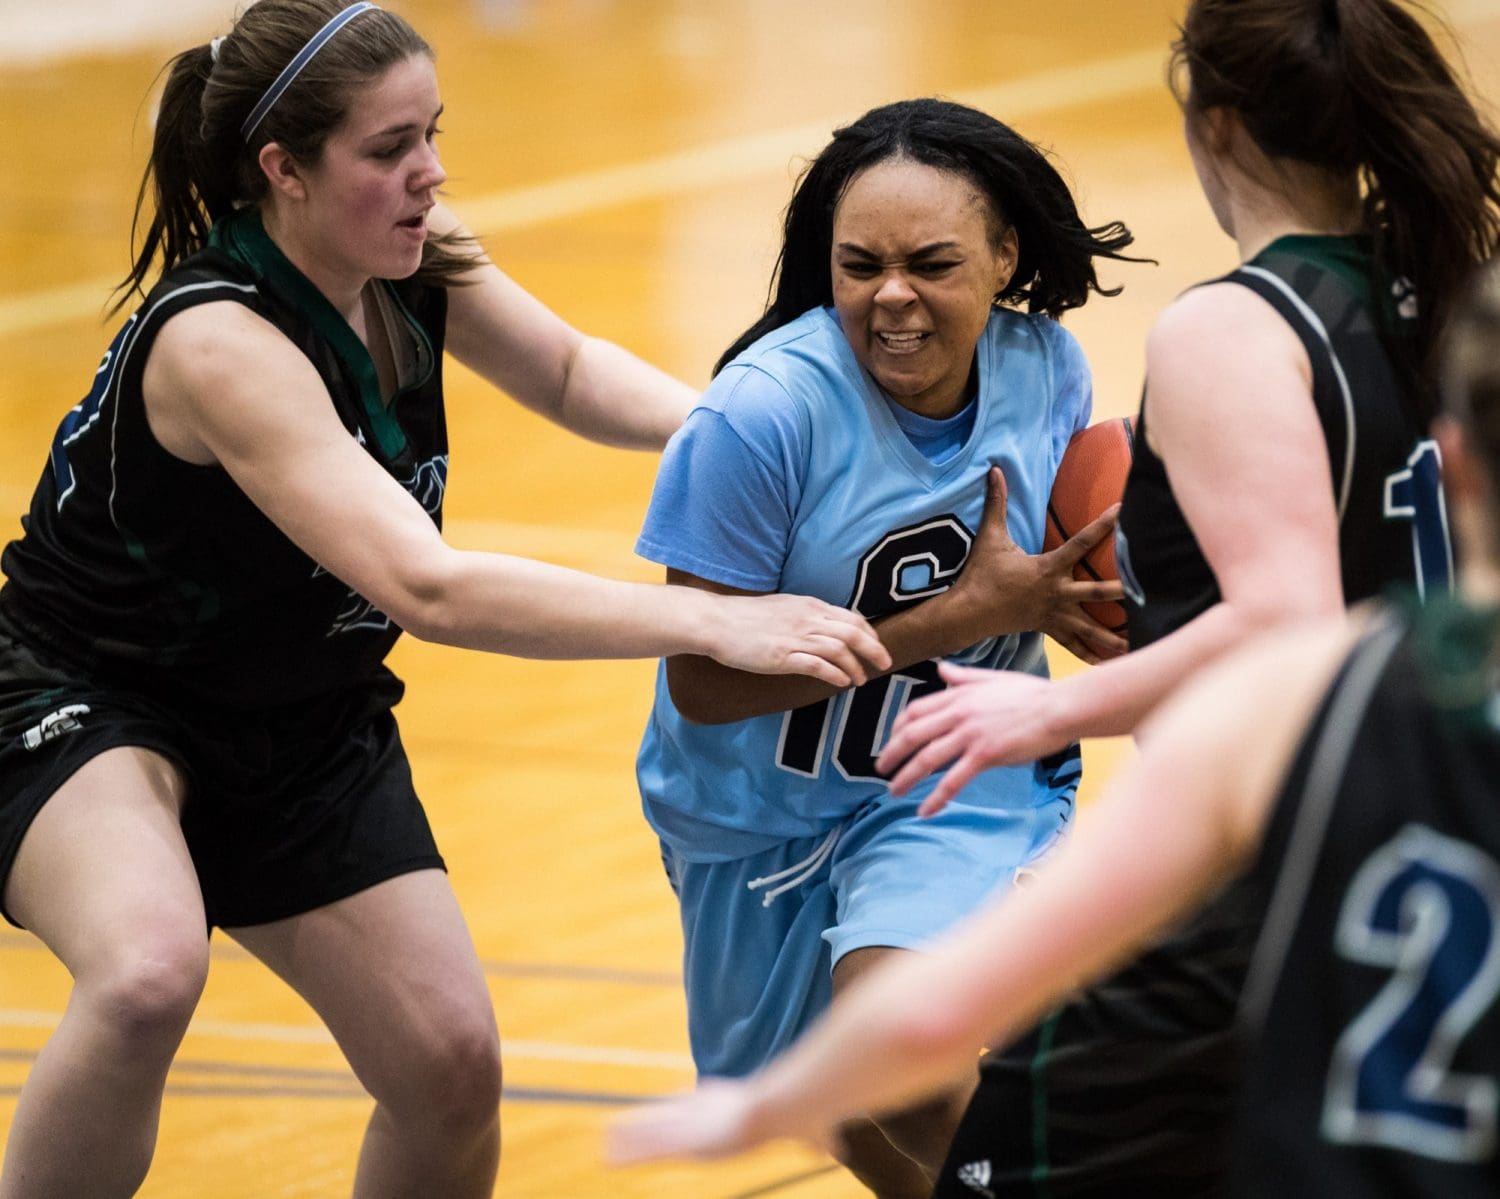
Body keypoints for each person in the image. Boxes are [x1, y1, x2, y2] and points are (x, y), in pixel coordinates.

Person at [0, 3, 894, 1197]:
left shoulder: (405, 251)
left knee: (450, 1066)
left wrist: (777, 438)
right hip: (90, 695)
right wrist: (711, 616)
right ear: (285, 170)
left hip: (298, 719)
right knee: (147, 969)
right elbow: (426, 583)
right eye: (387, 149)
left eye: (432, 133)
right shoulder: (221, 343)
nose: (426, 174)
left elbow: (568, 370)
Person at [607, 254, 1500, 1199]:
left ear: (1451, 460)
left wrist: (758, 1110)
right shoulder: (777, 403)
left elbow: (931, 1019)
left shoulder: (1301, 697)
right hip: (766, 812)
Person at [858, 1, 1500, 1192]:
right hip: (1422, 847)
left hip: (1253, 876)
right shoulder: (1450, 290)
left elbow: (1287, 621)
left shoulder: (1234, 325)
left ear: (1217, 123)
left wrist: (1040, 714)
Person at [631, 97, 1137, 1197]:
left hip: (950, 776)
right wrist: (960, 616)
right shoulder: (759, 417)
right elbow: (703, 682)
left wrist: (1106, 620)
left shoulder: (1047, 368)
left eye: (931, 262)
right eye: (858, 265)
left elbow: (1054, 585)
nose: (890, 296)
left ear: (1005, 256)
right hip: (744, 812)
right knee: (842, 1102)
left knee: (898, 1047)